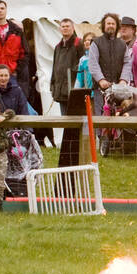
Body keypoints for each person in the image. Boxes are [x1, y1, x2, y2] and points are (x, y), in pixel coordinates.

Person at [52, 18, 85, 165]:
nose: (65, 29)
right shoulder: (58, 46)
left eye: (67, 26)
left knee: (74, 121)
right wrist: (53, 86)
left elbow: (83, 65)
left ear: (72, 28)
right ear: (60, 29)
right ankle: (67, 148)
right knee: (65, 120)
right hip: (61, 90)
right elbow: (54, 67)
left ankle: (74, 148)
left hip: (73, 90)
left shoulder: (78, 44)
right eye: (63, 26)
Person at [88, 13, 134, 94]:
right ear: (104, 25)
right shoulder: (96, 43)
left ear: (117, 26)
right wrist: (101, 79)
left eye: (113, 24)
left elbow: (127, 63)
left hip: (118, 89)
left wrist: (123, 80)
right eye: (108, 23)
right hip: (100, 89)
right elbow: (93, 64)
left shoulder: (122, 44)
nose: (111, 26)